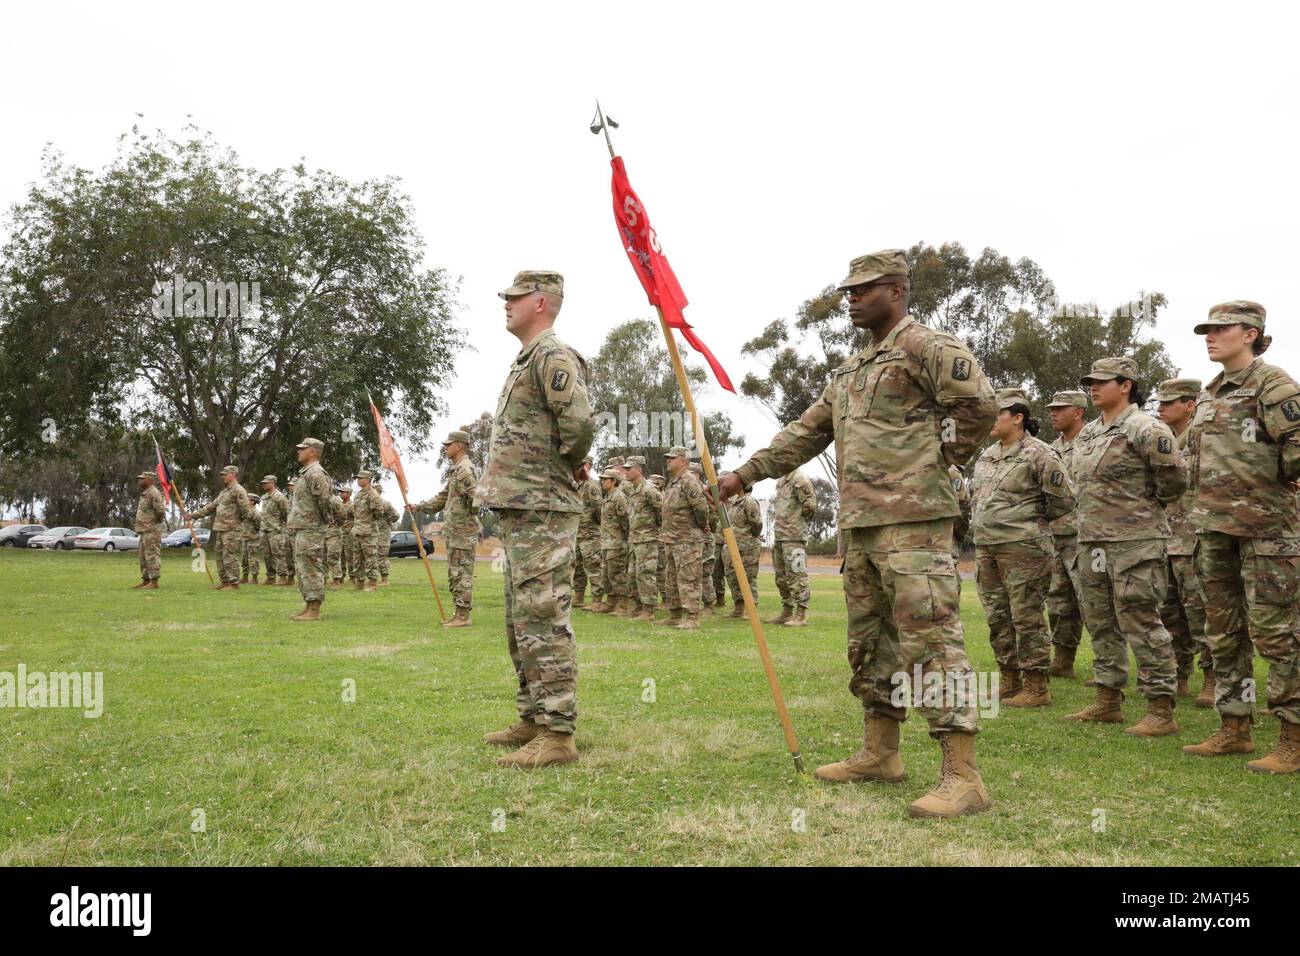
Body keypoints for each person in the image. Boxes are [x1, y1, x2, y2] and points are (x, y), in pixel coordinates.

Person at [717, 248, 996, 818]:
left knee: (933, 643)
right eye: (848, 290)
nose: (851, 298)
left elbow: (980, 407)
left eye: (863, 289)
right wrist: (744, 475)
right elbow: (805, 433)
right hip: (862, 528)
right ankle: (880, 753)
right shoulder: (849, 370)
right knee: (872, 645)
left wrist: (940, 462)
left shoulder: (927, 347)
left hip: (914, 524)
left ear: (896, 290)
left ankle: (963, 777)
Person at [478, 270, 593, 769]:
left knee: (543, 617)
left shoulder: (552, 356)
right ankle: (533, 717)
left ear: (541, 302)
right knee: (521, 619)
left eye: (516, 297)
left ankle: (559, 732)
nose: (507, 303)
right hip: (524, 509)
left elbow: (580, 425)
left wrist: (565, 463)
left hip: (544, 506)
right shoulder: (526, 358)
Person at [1183, 301, 1300, 773]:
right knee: (1224, 635)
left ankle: (1292, 737)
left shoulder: (1273, 385)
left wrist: (1275, 487)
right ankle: (1234, 728)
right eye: (1206, 330)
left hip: (1267, 533)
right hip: (1214, 531)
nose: (1209, 337)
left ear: (1250, 333)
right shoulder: (1211, 392)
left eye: (1220, 329)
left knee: (1277, 633)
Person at [1063, 358, 1185, 736]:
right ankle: (1108, 700)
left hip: (1135, 542)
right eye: (1090, 381)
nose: (1093, 388)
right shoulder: (1088, 434)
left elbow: (1174, 478)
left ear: (1126, 384)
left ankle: (1160, 708)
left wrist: (1143, 511)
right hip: (1093, 541)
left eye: (1102, 382)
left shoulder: (1145, 427)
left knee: (1142, 622)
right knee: (1100, 622)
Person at [969, 389, 1074, 707]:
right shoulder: (987, 455)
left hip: (1024, 549)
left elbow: (1063, 501)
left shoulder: (1040, 454)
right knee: (998, 617)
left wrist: (1028, 525)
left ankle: (1036, 687)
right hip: (987, 547)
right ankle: (1009, 681)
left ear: (1018, 418)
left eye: (997, 412)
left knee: (1026, 618)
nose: (990, 418)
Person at [1153, 378, 1214, 701]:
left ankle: (1213, 677)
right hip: (1166, 539)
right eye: (1160, 403)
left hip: (1194, 539)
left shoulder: (1202, 439)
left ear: (1190, 406)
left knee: (1202, 612)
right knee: (1169, 614)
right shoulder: (1164, 441)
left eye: (1168, 403)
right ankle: (1179, 676)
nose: (1161, 408)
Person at [410, 430, 483, 626]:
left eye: (448, 445)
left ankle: (463, 617)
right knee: (455, 574)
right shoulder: (457, 469)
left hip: (463, 532)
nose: (445, 448)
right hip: (456, 531)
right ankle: (459, 614)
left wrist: (465, 517)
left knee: (462, 575)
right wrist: (420, 507)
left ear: (459, 446)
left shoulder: (464, 469)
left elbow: (476, 500)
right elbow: (443, 497)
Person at [1044, 390, 1090, 680]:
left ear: (1078, 412)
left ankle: (1108, 663)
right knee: (1058, 601)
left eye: (1061, 408)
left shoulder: (1093, 442)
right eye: (1052, 408)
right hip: (1056, 536)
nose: (1053, 413)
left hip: (1085, 535)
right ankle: (1063, 659)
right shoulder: (1051, 449)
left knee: (1093, 601)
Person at [658, 447, 711, 630]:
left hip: (687, 539)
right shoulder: (673, 482)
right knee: (671, 579)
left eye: (672, 458)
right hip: (671, 539)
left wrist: (698, 526)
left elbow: (702, 509)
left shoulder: (689, 481)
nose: (668, 460)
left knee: (689, 579)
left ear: (684, 461)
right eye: (668, 458)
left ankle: (692, 617)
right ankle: (674, 615)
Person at [285, 438, 334, 620]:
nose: (299, 451)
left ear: (312, 452)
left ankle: (314, 610)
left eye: (302, 449)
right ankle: (308, 606)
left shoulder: (316, 473)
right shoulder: (306, 473)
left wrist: (320, 523)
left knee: (311, 568)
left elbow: (324, 502)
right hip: (303, 527)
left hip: (312, 528)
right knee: (303, 568)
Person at [186, 465, 253, 590]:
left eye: (225, 474)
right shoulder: (224, 492)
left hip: (232, 529)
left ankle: (234, 583)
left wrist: (236, 523)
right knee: (220, 555)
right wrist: (193, 516)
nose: (223, 477)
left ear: (233, 474)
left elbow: (245, 511)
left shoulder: (238, 490)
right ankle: (225, 581)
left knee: (229, 556)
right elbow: (211, 507)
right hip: (220, 528)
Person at [771, 463, 817, 627]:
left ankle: (801, 613)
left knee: (797, 574)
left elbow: (810, 505)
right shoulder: (781, 480)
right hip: (780, 535)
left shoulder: (800, 479)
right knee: (781, 576)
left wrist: (797, 522)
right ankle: (787, 610)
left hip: (794, 536)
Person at [625, 455, 663, 621]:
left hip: (647, 539)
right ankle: (637, 607)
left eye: (629, 468)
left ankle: (648, 610)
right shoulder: (633, 489)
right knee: (633, 574)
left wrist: (655, 531)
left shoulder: (649, 489)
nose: (626, 471)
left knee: (646, 574)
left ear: (639, 470)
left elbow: (662, 512)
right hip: (635, 539)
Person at [723, 475, 764, 617]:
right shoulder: (733, 502)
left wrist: (748, 537)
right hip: (731, 546)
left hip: (747, 547)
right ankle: (738, 607)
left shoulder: (749, 501)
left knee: (748, 578)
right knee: (732, 577)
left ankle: (751, 608)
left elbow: (757, 524)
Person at [595, 467, 631, 616]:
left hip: (617, 543)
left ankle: (623, 604)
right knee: (606, 574)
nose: (602, 482)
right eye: (602, 479)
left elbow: (625, 520)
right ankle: (611, 601)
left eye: (606, 479)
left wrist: (625, 540)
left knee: (617, 574)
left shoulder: (618, 497)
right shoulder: (607, 496)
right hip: (606, 542)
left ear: (614, 481)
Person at [574, 454, 603, 610]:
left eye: (583, 465)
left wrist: (596, 526)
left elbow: (599, 509)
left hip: (590, 534)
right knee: (577, 567)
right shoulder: (577, 485)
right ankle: (578, 596)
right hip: (577, 533)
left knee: (593, 566)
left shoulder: (591, 485)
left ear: (589, 466)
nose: (579, 468)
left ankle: (597, 599)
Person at [350, 470, 385, 592]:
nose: (358, 480)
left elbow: (379, 512)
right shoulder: (358, 495)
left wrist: (369, 522)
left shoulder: (373, 494)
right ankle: (359, 583)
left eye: (361, 478)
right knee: (357, 559)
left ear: (368, 480)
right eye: (357, 478)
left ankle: (372, 584)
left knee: (370, 558)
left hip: (369, 532)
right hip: (357, 531)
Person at [132, 471, 166, 590]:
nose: (139, 480)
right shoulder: (145, 493)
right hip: (144, 530)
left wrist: (154, 523)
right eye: (139, 478)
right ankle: (145, 580)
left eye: (142, 478)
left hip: (152, 530)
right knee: (143, 556)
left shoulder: (154, 493)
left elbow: (160, 511)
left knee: (151, 555)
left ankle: (154, 581)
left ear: (150, 480)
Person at [259, 475, 290, 586]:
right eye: (263, 483)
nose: (264, 485)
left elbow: (287, 513)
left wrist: (282, 526)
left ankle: (282, 577)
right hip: (265, 530)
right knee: (267, 555)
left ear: (272, 483)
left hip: (276, 530)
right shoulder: (265, 497)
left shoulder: (279, 497)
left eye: (266, 483)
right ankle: (270, 577)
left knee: (278, 554)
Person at [373, 483, 400, 586]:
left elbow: (396, 515)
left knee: (382, 556)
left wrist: (388, 521)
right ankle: (373, 579)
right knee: (372, 556)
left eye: (374, 490)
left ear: (379, 492)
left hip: (383, 534)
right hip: (372, 533)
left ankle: (385, 579)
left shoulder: (385, 504)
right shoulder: (371, 504)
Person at [239, 493, 261, 584]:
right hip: (244, 537)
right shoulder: (245, 511)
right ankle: (245, 577)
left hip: (253, 538)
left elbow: (258, 525)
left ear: (252, 501)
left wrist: (253, 533)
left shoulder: (255, 513)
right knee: (244, 558)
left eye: (248, 499)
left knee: (252, 558)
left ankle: (254, 578)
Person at [283, 477, 298, 586]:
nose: (290, 487)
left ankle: (301, 580)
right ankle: (290, 577)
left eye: (292, 485)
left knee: (297, 555)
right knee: (288, 555)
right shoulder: (290, 498)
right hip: (289, 530)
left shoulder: (301, 498)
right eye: (290, 485)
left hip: (297, 531)